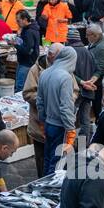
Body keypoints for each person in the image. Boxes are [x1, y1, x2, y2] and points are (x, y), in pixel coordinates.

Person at [36, 43, 78, 171]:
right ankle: (50, 189)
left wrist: (42, 122)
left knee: (48, 159)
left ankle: (43, 187)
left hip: (48, 123)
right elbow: (66, 107)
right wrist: (71, 129)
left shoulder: (45, 73)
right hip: (61, 126)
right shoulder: (65, 77)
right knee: (57, 163)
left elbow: (39, 102)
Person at [13, 9, 40, 90]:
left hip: (26, 63)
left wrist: (15, 44)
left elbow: (27, 50)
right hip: (24, 62)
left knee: (20, 87)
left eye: (18, 21)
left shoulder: (29, 32)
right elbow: (22, 43)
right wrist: (18, 35)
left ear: (25, 19)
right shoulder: (27, 29)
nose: (17, 23)